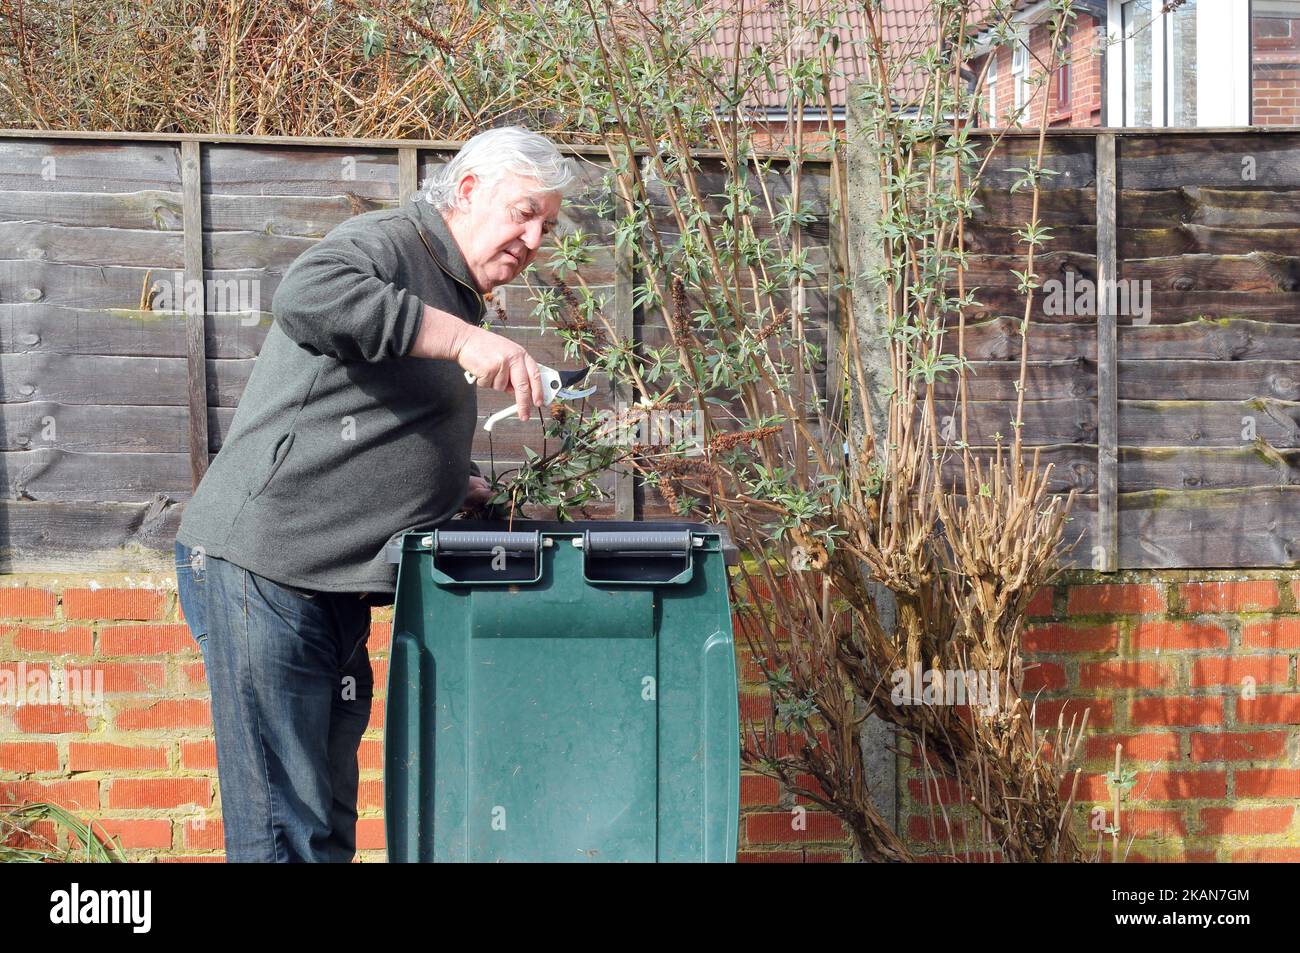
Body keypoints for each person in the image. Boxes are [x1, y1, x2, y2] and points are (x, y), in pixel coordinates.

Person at [173, 126, 574, 862]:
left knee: (324, 824)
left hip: (335, 586)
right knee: (282, 830)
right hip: (268, 567)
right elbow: (307, 296)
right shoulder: (392, 243)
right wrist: (462, 342)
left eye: (546, 225)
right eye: (524, 212)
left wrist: (452, 486)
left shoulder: (456, 291)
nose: (534, 237)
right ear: (469, 189)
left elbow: (376, 421)